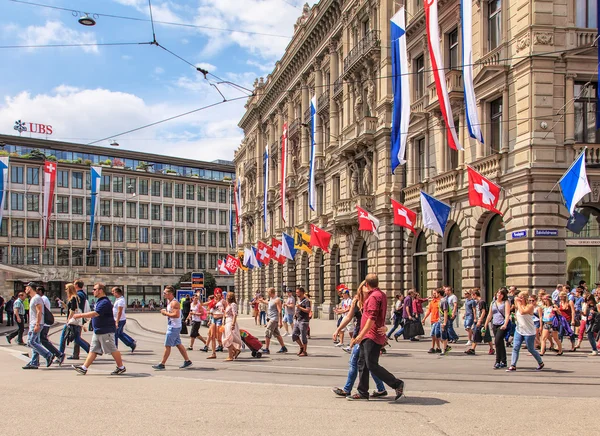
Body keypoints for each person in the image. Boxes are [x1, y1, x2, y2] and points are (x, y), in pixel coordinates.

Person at [347, 274, 405, 401]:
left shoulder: (374, 297)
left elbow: (372, 318)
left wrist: (360, 335)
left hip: (371, 335)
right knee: (362, 363)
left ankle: (397, 384)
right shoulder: (381, 295)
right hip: (369, 335)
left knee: (371, 364)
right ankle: (362, 392)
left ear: (367, 284)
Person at [332, 283, 387, 398]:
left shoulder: (373, 301)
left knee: (360, 363)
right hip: (359, 336)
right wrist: (338, 329)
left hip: (367, 338)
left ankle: (348, 390)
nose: (367, 292)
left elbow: (378, 319)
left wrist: (385, 329)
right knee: (367, 364)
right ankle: (381, 388)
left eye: (368, 290)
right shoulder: (357, 303)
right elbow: (348, 317)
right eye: (364, 290)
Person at [71, 283, 126, 375]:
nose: (93, 291)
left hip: (105, 330)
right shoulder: (100, 301)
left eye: (95, 289)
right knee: (93, 350)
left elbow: (96, 313)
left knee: (112, 349)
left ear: (100, 290)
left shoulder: (104, 302)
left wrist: (79, 315)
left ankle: (121, 367)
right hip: (99, 330)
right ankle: (84, 368)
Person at [152, 286, 192, 370]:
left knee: (167, 345)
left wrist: (165, 313)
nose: (163, 294)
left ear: (170, 294)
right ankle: (187, 360)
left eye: (165, 293)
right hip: (173, 326)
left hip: (174, 327)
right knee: (178, 344)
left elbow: (176, 315)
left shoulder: (174, 303)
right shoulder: (169, 301)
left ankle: (162, 364)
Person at [506, 291, 544, 371]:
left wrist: (519, 303)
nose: (518, 298)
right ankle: (513, 365)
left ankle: (540, 362)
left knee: (531, 349)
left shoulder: (530, 306)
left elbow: (523, 312)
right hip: (519, 330)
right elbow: (517, 313)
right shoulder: (518, 305)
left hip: (529, 331)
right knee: (515, 347)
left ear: (523, 298)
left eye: (520, 297)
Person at [22, 282, 54, 369]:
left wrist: (37, 324)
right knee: (36, 342)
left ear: (30, 288)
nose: (25, 289)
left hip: (36, 323)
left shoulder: (36, 298)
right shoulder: (34, 298)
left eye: (26, 288)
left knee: (30, 342)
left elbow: (39, 311)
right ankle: (34, 362)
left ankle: (48, 355)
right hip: (34, 323)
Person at [35, 286, 65, 366]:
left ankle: (57, 354)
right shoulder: (42, 298)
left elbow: (40, 311)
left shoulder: (43, 299)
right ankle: (35, 361)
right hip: (43, 323)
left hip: (44, 323)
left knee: (40, 341)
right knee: (38, 341)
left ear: (40, 291)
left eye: (37, 290)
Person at [58, 284, 90, 358]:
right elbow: (71, 308)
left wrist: (68, 320)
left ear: (69, 289)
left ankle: (60, 355)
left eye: (66, 289)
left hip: (72, 321)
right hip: (75, 321)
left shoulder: (73, 298)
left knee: (63, 338)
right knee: (77, 339)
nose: (65, 291)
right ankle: (89, 350)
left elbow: (72, 310)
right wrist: (64, 305)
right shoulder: (75, 298)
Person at [485, 288, 511, 369]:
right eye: (498, 293)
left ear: (503, 295)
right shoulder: (493, 303)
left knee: (497, 342)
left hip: (502, 324)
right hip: (494, 324)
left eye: (501, 294)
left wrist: (505, 324)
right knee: (500, 343)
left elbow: (507, 314)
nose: (498, 295)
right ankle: (504, 361)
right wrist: (485, 324)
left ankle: (497, 361)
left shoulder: (505, 302)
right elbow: (490, 314)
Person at [258, 288, 288, 354]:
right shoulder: (271, 299)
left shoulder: (277, 300)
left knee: (267, 332)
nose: (267, 294)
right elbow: (268, 303)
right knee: (277, 334)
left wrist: (280, 322)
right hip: (271, 318)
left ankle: (267, 349)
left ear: (271, 292)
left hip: (274, 319)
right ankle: (283, 347)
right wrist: (262, 301)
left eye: (268, 292)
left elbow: (280, 311)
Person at [466, 289, 494, 355]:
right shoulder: (478, 302)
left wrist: (480, 320)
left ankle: (492, 349)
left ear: (475, 295)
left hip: (482, 322)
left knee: (486, 335)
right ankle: (472, 349)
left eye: (472, 296)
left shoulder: (481, 302)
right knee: (476, 334)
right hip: (479, 321)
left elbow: (483, 312)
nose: (472, 297)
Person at [112, 287, 137, 352]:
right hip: (118, 319)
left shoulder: (121, 300)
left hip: (120, 320)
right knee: (119, 333)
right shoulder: (118, 299)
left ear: (117, 292)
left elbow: (119, 312)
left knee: (115, 334)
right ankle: (131, 343)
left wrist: (117, 321)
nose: (112, 293)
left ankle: (115, 349)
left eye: (113, 292)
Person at [69, 279, 88, 361]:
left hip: (77, 318)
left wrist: (70, 318)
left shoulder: (78, 294)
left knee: (76, 337)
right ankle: (75, 354)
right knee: (77, 337)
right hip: (79, 318)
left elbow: (76, 308)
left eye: (74, 284)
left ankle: (90, 349)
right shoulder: (83, 294)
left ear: (76, 285)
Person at [222, 292, 243, 361]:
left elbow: (235, 314)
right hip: (227, 322)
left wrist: (233, 324)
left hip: (230, 322)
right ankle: (235, 350)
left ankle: (231, 356)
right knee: (228, 339)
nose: (227, 297)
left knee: (228, 339)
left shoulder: (233, 304)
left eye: (228, 296)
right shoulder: (228, 305)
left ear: (231, 297)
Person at [206, 289, 226, 359]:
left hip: (220, 319)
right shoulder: (213, 301)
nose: (218, 294)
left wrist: (224, 319)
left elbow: (226, 311)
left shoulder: (223, 301)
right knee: (212, 336)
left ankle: (233, 349)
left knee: (218, 337)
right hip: (213, 319)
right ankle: (213, 353)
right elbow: (206, 307)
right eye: (217, 293)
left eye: (219, 293)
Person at [292, 287, 311, 357]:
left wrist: (300, 307)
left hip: (304, 321)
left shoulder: (306, 301)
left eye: (298, 292)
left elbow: (308, 310)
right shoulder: (299, 300)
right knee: (294, 335)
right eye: (296, 292)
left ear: (302, 292)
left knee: (303, 336)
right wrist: (295, 314)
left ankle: (305, 351)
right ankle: (301, 346)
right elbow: (298, 309)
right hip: (298, 320)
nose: (296, 293)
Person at [422, 288, 442, 354]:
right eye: (433, 294)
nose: (433, 295)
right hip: (433, 320)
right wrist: (424, 318)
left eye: (434, 293)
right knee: (434, 335)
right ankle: (437, 348)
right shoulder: (432, 302)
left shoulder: (440, 302)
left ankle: (436, 347)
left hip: (438, 321)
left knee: (435, 335)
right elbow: (428, 311)